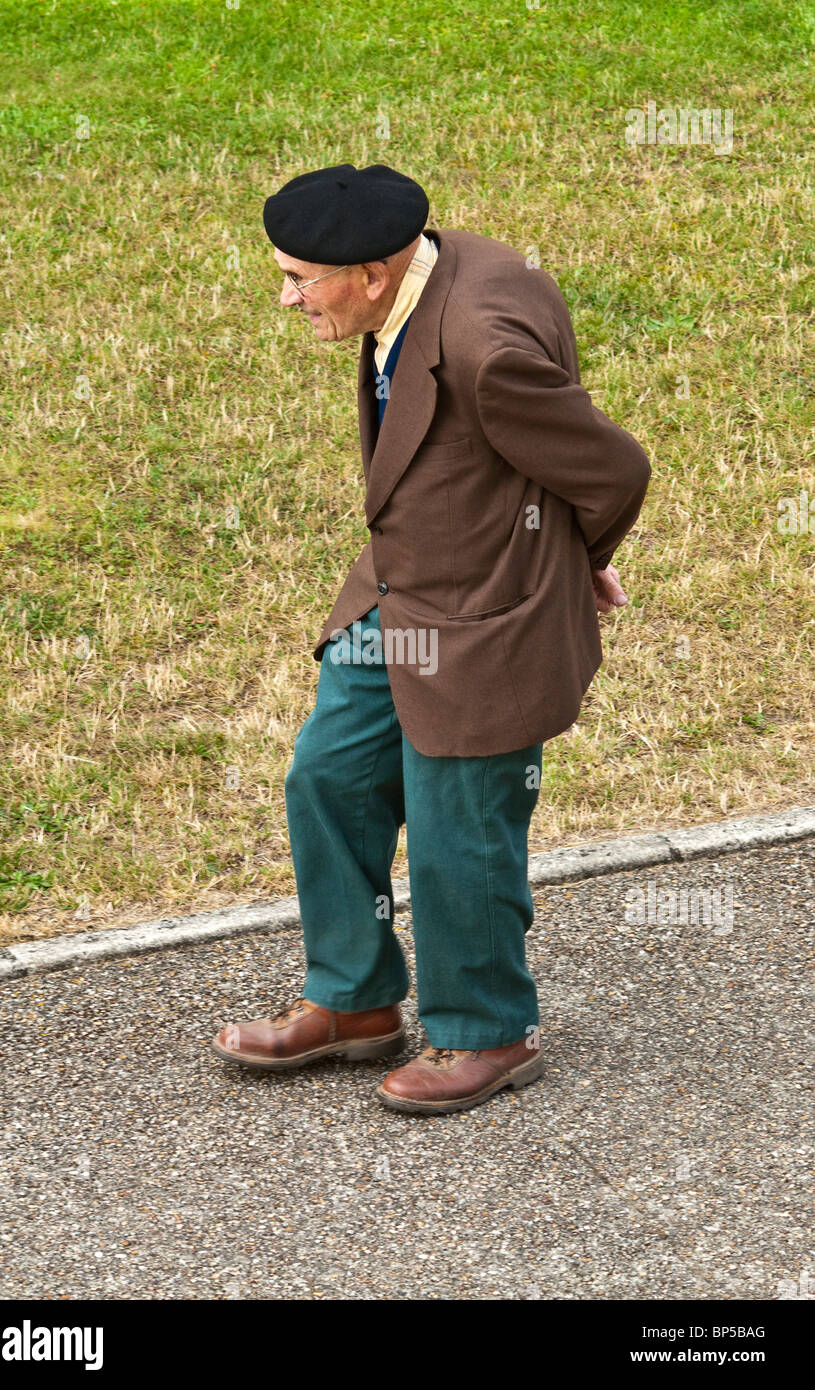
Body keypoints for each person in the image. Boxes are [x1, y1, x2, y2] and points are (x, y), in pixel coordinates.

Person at [212, 163, 651, 1115]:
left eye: (300, 279)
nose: (286, 297)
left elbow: (613, 468)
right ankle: (355, 1001)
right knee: (327, 776)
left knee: (458, 829)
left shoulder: (483, 342)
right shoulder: (424, 277)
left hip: (485, 624)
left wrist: (573, 561)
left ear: (372, 273)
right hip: (397, 600)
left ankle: (487, 1030)